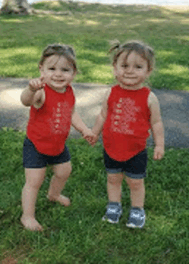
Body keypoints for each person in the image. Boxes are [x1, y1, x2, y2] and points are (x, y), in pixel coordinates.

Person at [20, 43, 94, 231]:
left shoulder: (69, 91)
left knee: (64, 172)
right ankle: (27, 216)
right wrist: (31, 89)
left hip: (58, 145)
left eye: (65, 70)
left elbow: (72, 113)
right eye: (52, 69)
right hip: (36, 145)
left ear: (74, 73)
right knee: (34, 181)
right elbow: (26, 101)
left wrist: (84, 129)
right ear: (41, 69)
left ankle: (53, 194)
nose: (58, 74)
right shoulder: (41, 92)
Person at [91, 40, 164, 229]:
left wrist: (159, 145)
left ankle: (137, 209)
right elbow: (102, 115)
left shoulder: (149, 97)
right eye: (124, 66)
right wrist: (94, 132)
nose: (130, 71)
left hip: (136, 151)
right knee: (113, 179)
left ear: (148, 71)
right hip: (111, 147)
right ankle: (114, 206)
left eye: (138, 66)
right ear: (115, 69)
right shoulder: (111, 92)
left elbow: (156, 123)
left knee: (135, 182)